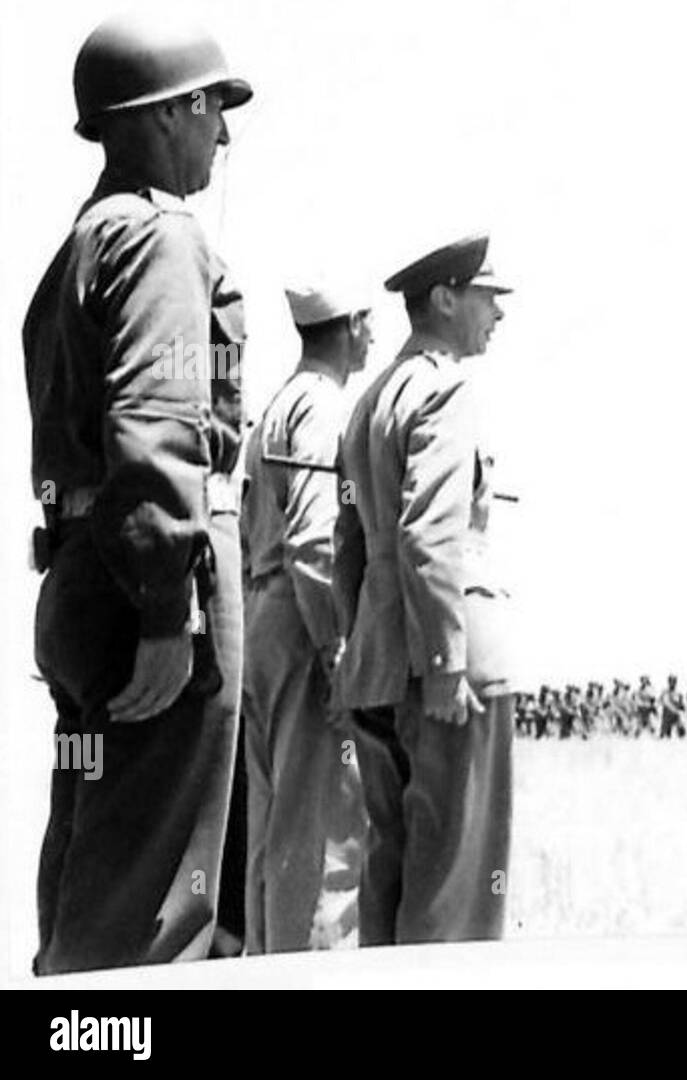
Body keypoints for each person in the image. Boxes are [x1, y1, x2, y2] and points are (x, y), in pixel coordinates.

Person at [24, 13, 251, 974]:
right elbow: (157, 428)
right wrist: (170, 610)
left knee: (89, 834)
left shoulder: (79, 244)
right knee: (155, 894)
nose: (224, 135)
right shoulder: (158, 239)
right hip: (145, 609)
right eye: (213, 109)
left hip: (81, 592)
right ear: (168, 114)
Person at [334, 235, 515, 944]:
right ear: (444, 298)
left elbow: (347, 543)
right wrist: (442, 665)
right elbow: (430, 531)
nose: (496, 314)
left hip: (380, 663)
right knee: (454, 890)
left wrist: (357, 648)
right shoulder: (446, 387)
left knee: (392, 876)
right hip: (448, 662)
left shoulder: (372, 398)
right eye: (486, 297)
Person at [240, 283, 373, 952]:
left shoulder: (274, 406)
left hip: (264, 618)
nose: (373, 335)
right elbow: (315, 541)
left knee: (273, 836)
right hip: (304, 621)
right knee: (323, 839)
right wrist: (338, 646)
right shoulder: (322, 406)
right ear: (348, 327)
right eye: (367, 321)